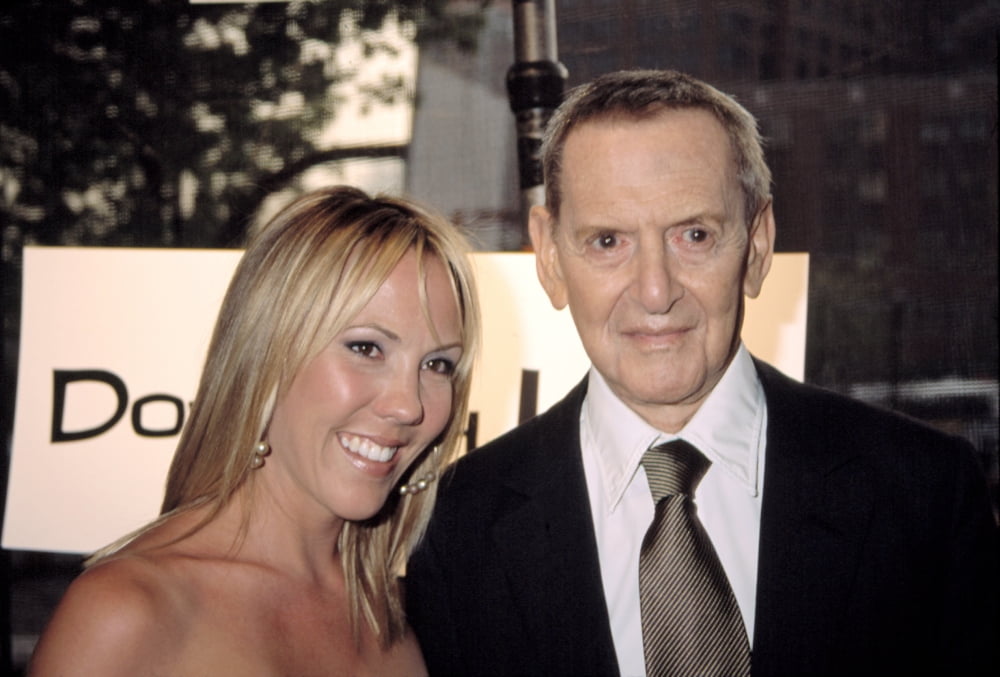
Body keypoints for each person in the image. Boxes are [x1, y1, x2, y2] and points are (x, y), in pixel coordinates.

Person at [405, 69, 998, 676]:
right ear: (551, 257)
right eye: (608, 241)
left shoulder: (924, 495)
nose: (655, 291)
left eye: (694, 235)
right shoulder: (455, 530)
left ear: (758, 246)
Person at [28, 185, 480, 676]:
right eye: (367, 349)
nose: (407, 406)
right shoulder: (127, 611)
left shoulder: (397, 614)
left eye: (437, 364)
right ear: (266, 353)